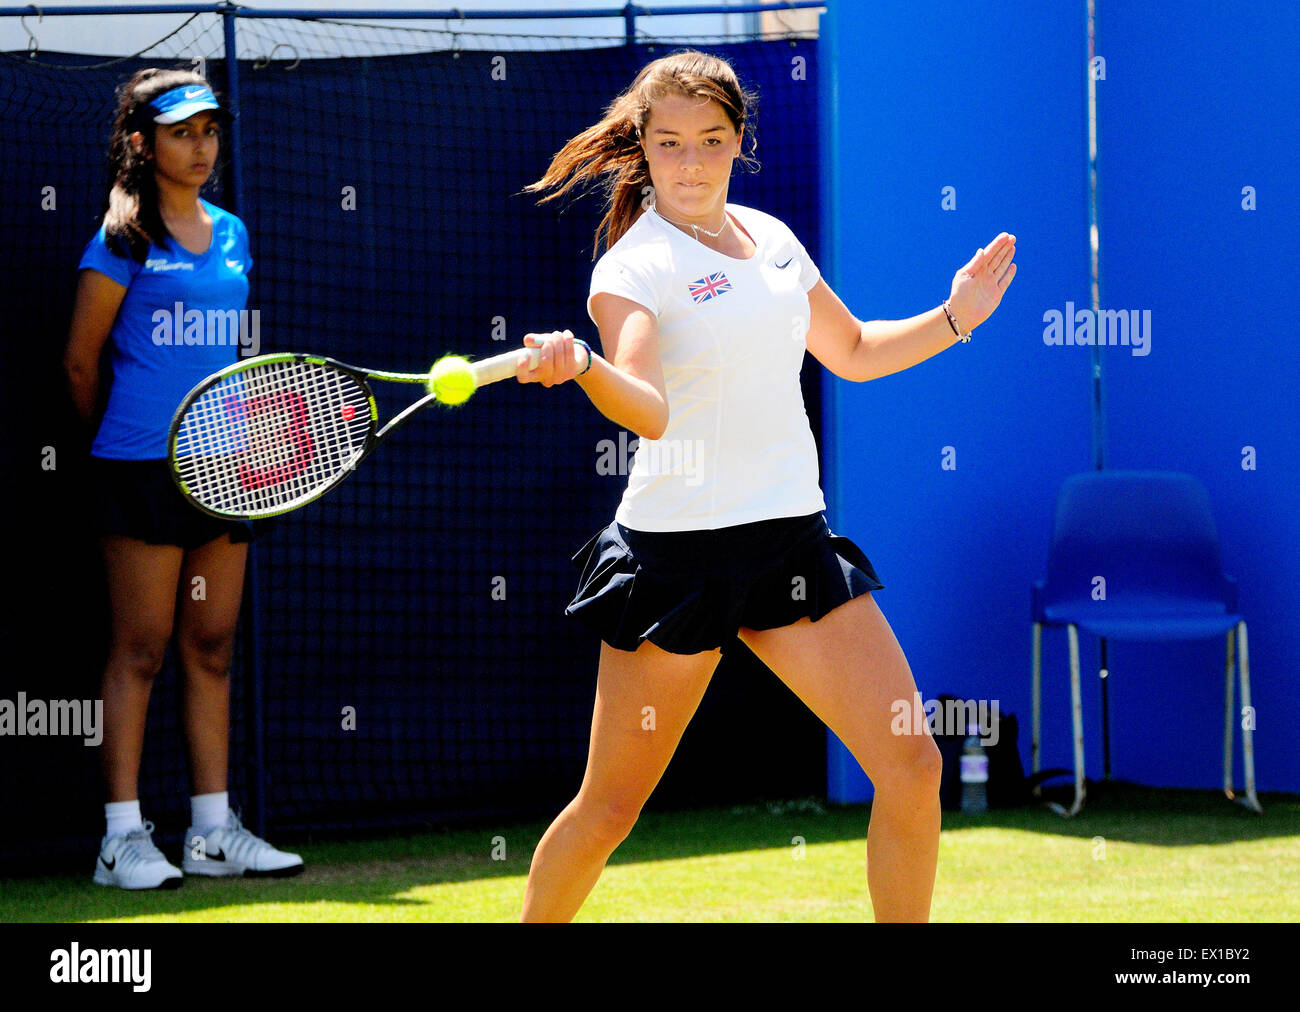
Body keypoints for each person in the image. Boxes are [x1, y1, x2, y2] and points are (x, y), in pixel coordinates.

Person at [513, 50, 1016, 922]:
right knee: (609, 810)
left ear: (739, 141)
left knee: (912, 764)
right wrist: (587, 366)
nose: (693, 162)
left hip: (791, 545)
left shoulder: (773, 239)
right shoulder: (632, 270)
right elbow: (647, 411)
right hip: (675, 563)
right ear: (643, 146)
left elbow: (853, 353)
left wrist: (953, 318)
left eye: (712, 140)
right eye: (671, 144)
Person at [64, 68, 303, 889]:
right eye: (181, 132)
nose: (202, 146)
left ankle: (211, 830)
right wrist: (127, 444)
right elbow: (80, 362)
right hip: (136, 471)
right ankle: (120, 840)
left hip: (223, 471)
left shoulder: (233, 231)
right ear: (142, 143)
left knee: (211, 645)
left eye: (209, 131)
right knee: (140, 650)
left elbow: (225, 351)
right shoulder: (120, 240)